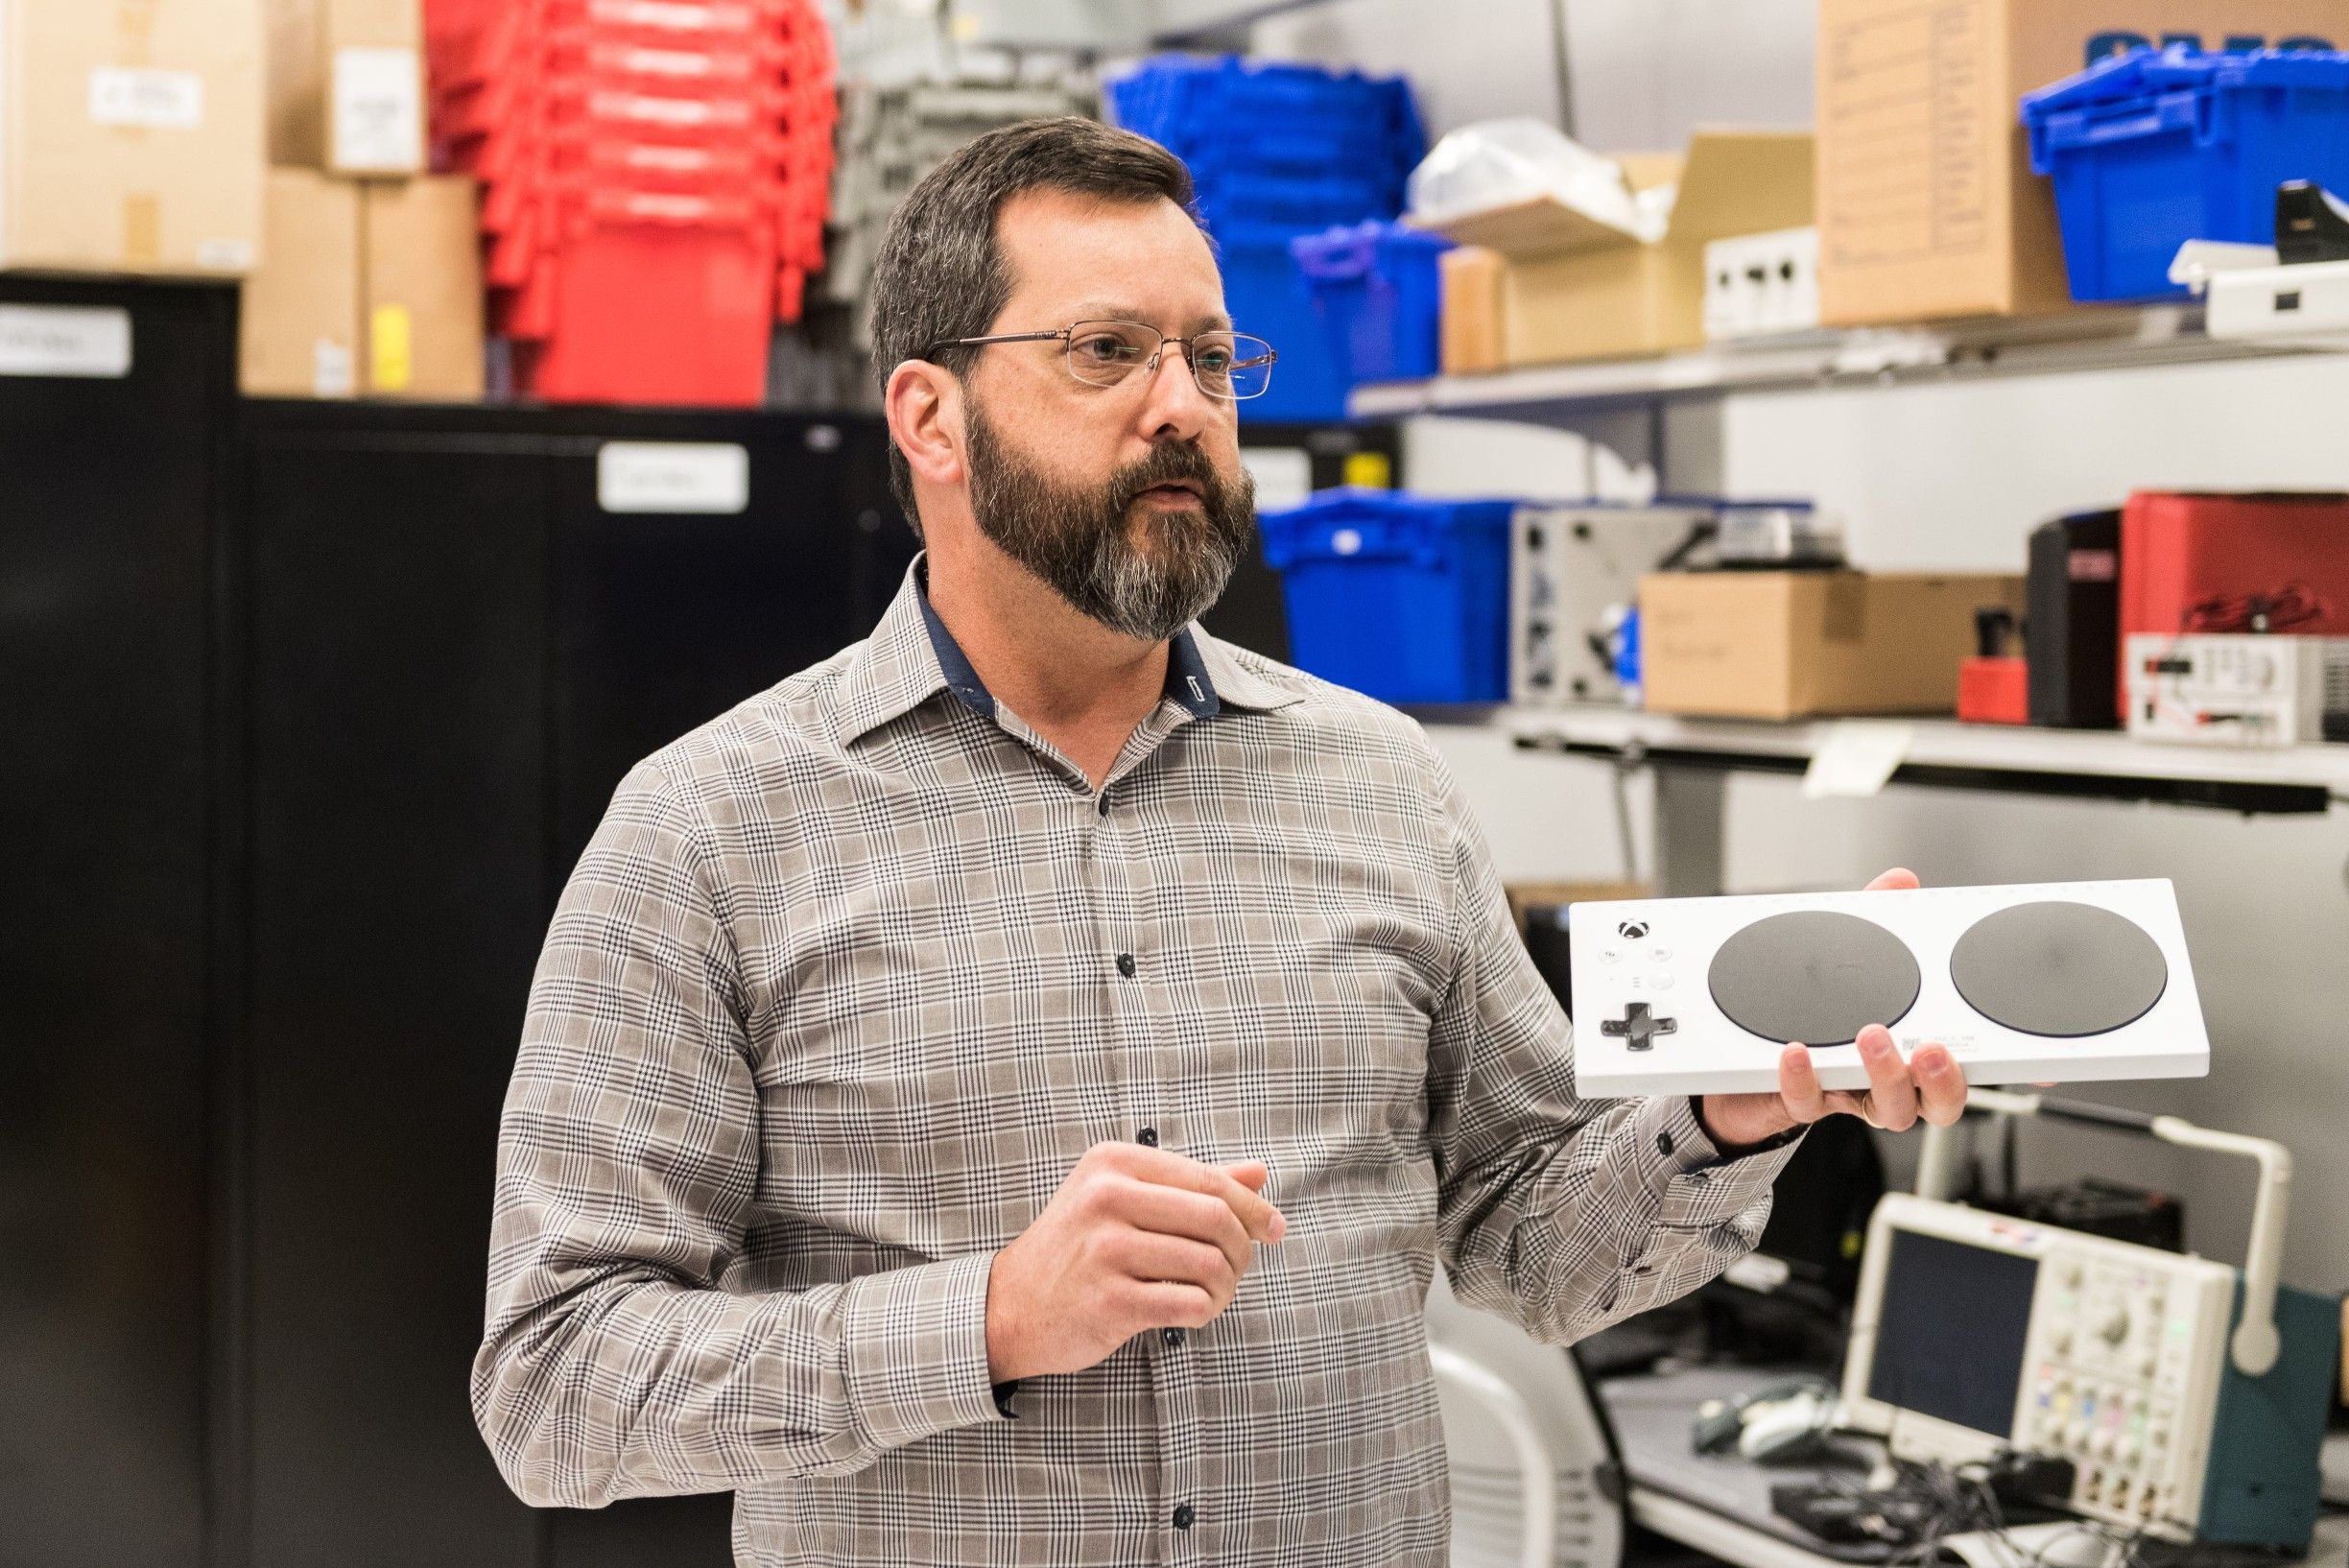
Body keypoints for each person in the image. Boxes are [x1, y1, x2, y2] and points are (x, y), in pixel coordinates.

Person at [471, 116, 1968, 1565]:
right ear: (931, 416)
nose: (1180, 404)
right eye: (1105, 351)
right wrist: (989, 1319)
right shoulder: (715, 827)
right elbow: (555, 1388)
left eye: (1207, 356)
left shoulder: (1377, 781)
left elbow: (1529, 1242)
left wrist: (1722, 1119)